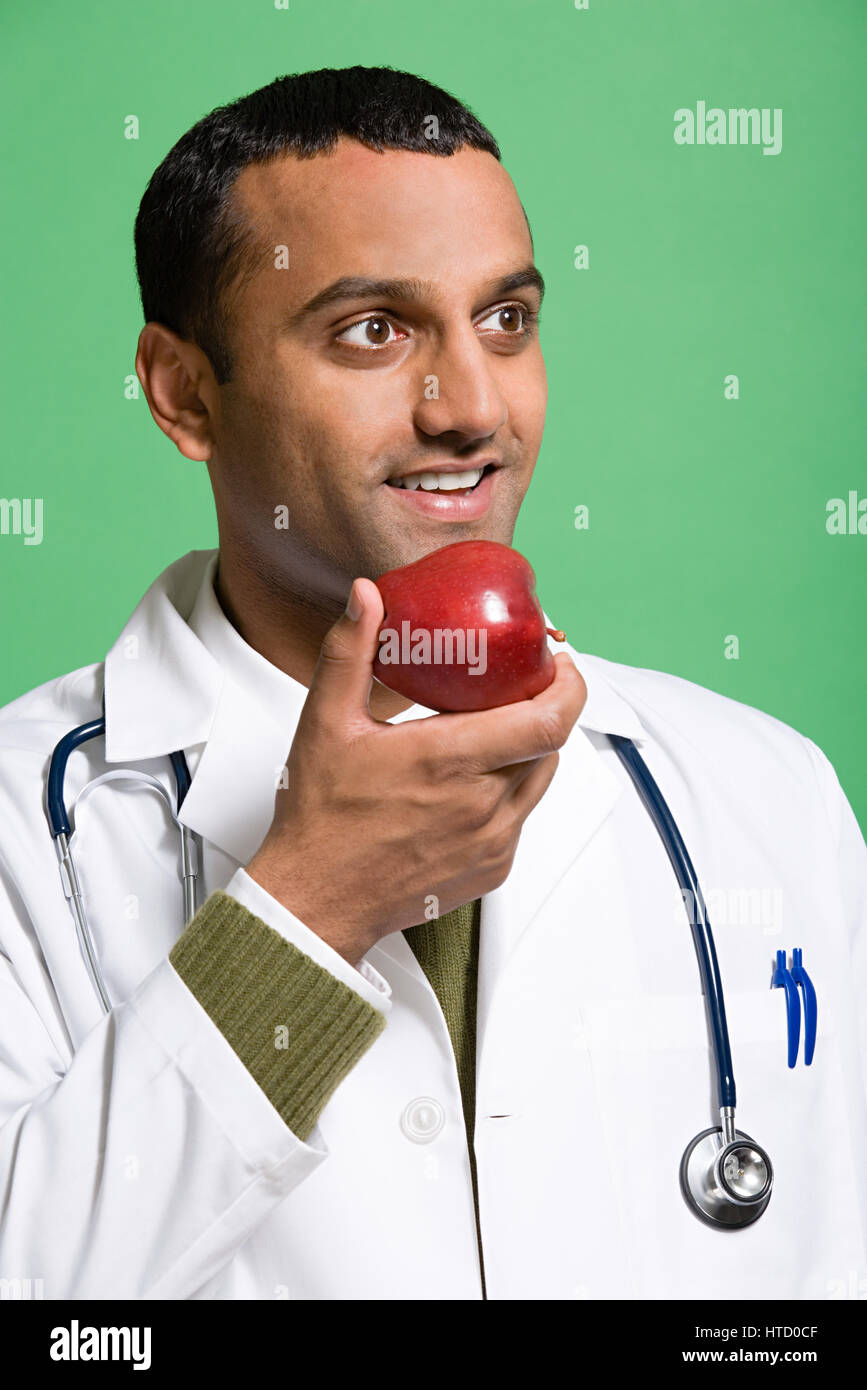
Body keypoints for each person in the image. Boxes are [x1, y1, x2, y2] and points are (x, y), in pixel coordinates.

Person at [0, 66, 864, 1302]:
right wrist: (305, 910)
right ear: (186, 393)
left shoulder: (762, 795)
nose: (471, 407)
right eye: (374, 330)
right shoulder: (21, 839)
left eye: (505, 321)